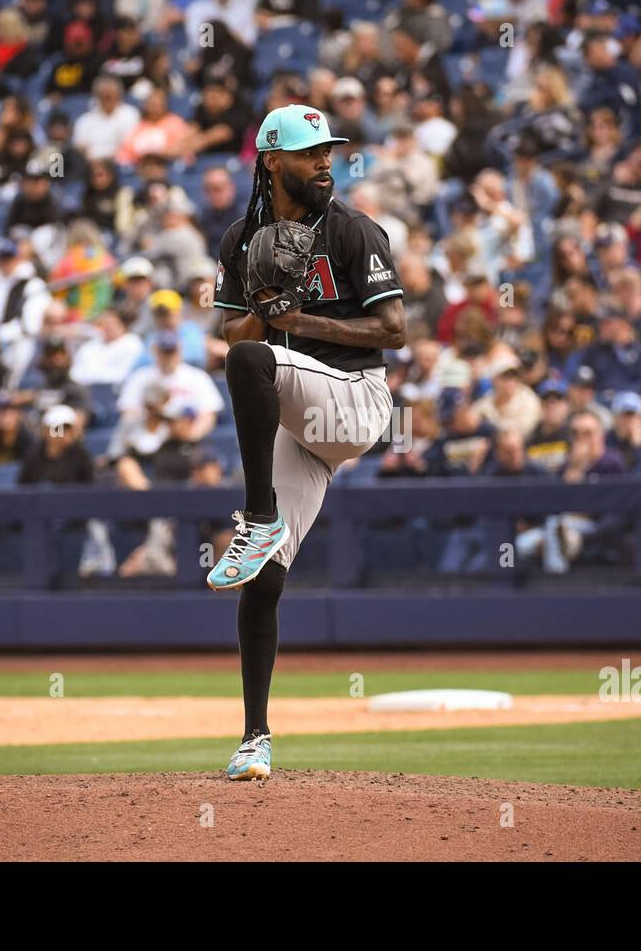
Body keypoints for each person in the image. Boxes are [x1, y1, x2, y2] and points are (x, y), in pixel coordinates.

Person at [208, 104, 405, 780]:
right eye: (310, 151)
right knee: (263, 581)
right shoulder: (241, 239)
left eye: (329, 150)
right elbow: (234, 338)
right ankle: (254, 739)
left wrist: (300, 318)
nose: (326, 160)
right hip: (302, 422)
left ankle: (257, 518)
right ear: (271, 160)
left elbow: (394, 329)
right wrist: (263, 311)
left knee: (252, 366)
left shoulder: (353, 230)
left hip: (355, 399)